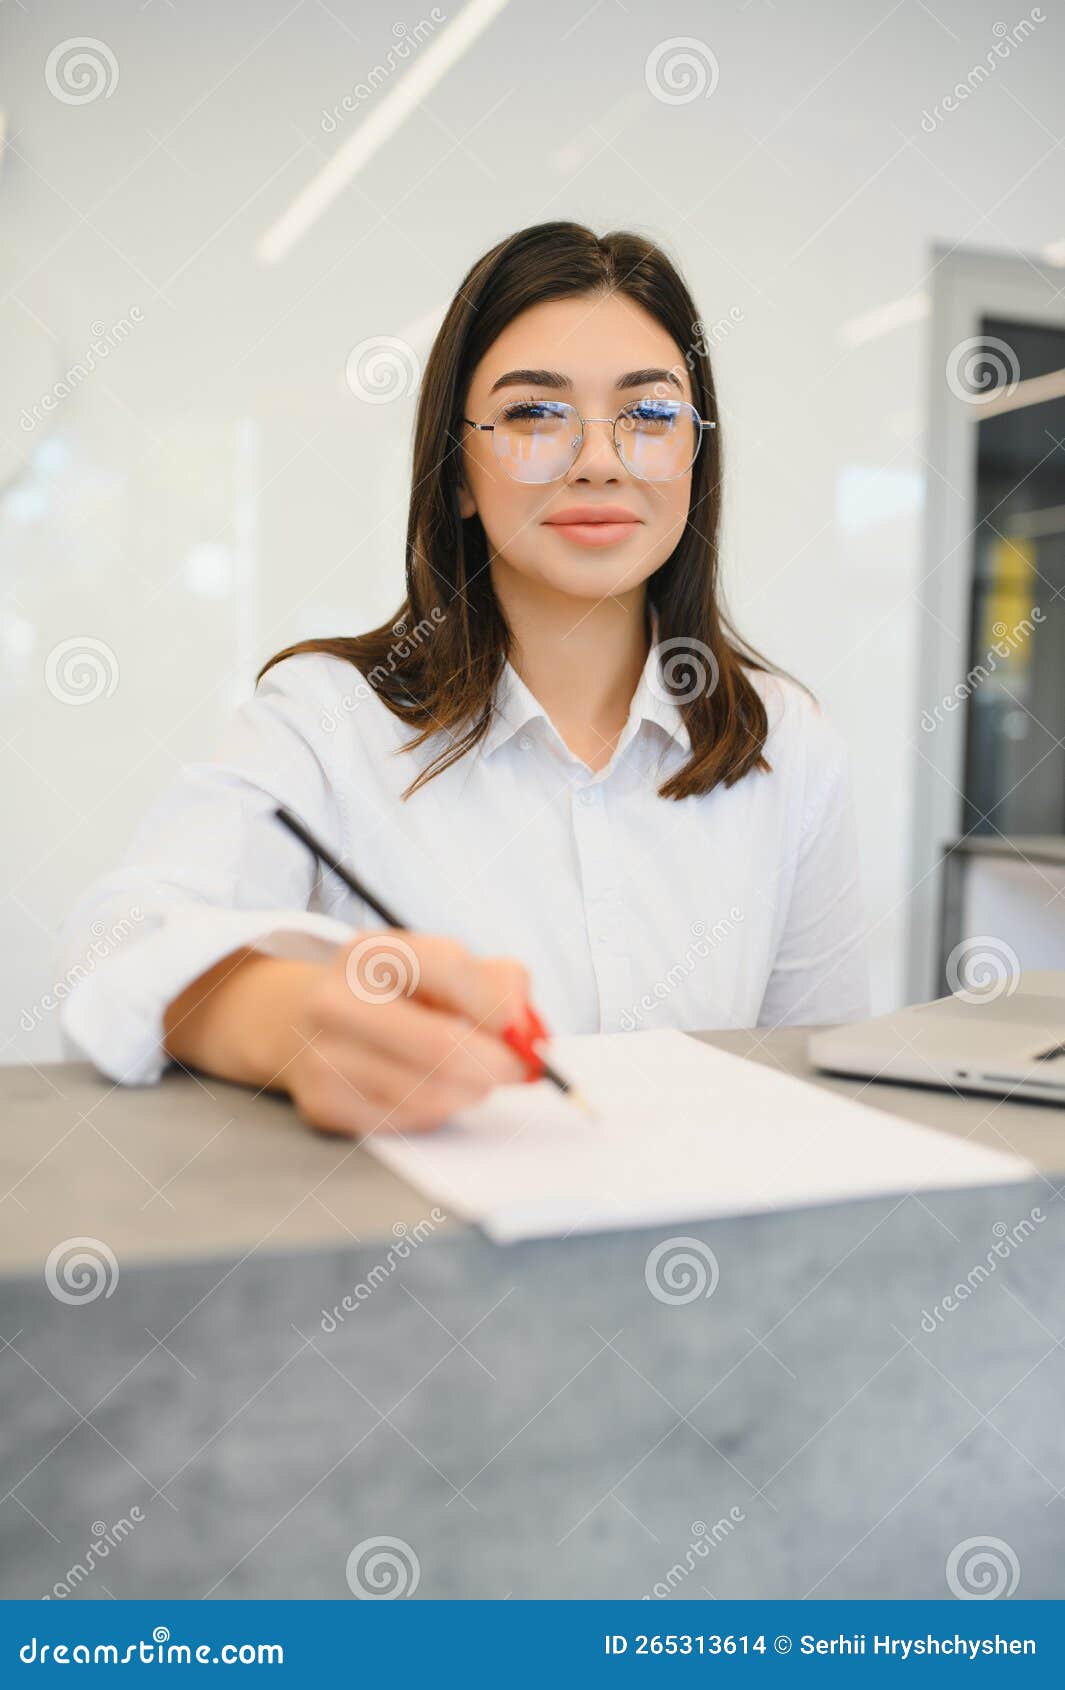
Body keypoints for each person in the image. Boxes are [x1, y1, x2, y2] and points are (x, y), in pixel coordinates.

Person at [56, 220, 870, 1138]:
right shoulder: (327, 719)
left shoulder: (786, 740)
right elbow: (116, 941)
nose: (598, 459)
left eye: (648, 416)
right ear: (458, 477)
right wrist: (285, 1022)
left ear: (694, 455)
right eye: (533, 415)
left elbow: (819, 1075)